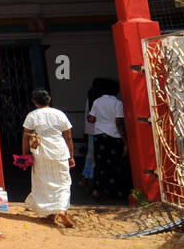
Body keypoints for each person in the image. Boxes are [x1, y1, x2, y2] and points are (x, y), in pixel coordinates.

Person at [21, 88, 75, 228]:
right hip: (60, 151)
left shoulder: (32, 116)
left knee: (43, 183)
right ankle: (61, 210)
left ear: (34, 102)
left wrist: (25, 154)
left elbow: (26, 137)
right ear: (49, 100)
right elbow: (68, 136)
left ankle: (50, 212)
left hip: (41, 153)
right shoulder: (59, 114)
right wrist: (71, 156)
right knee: (63, 183)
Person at [88, 79, 130, 202]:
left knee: (100, 164)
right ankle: (114, 191)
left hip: (99, 136)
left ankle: (97, 189)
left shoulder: (97, 101)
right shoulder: (117, 103)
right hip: (114, 136)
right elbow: (118, 122)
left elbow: (91, 118)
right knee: (115, 164)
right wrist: (125, 141)